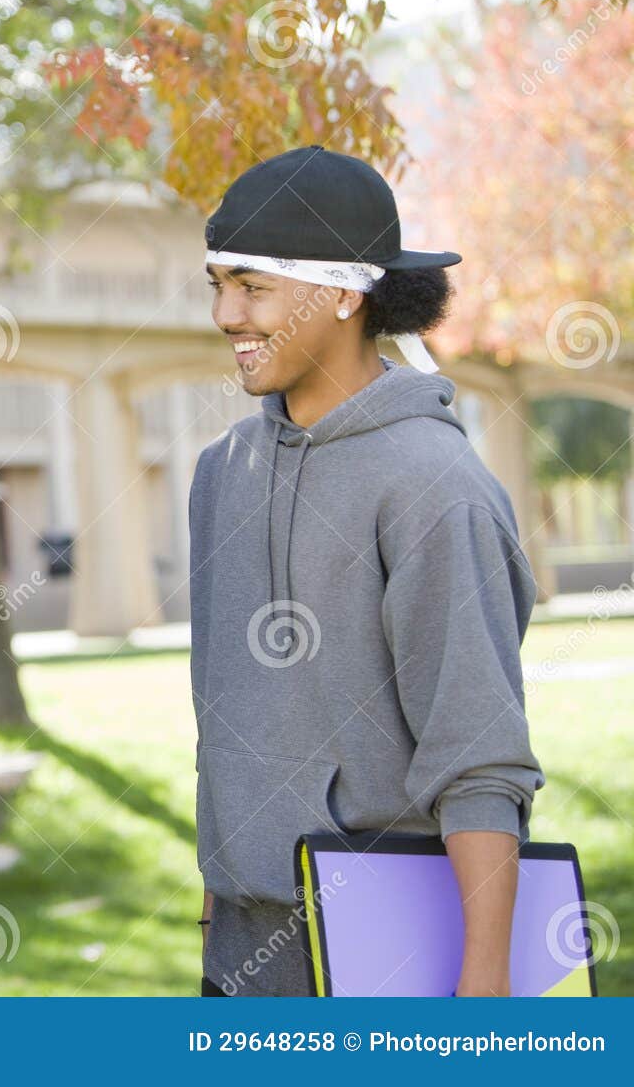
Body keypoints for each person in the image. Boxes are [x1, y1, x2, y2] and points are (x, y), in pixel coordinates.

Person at [191, 146, 545, 997]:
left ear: (345, 293)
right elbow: (227, 721)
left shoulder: (435, 486)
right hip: (237, 956)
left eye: (253, 287)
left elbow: (478, 758)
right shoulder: (221, 472)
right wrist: (214, 917)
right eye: (217, 285)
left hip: (391, 953)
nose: (227, 314)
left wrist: (486, 990)